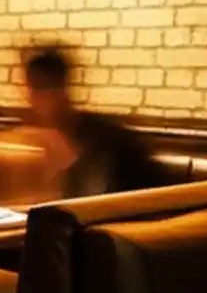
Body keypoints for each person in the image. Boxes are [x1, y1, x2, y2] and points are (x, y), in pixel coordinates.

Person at [23, 46, 162, 199]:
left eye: (41, 88)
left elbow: (89, 199)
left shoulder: (106, 143)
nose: (31, 99)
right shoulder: (42, 141)